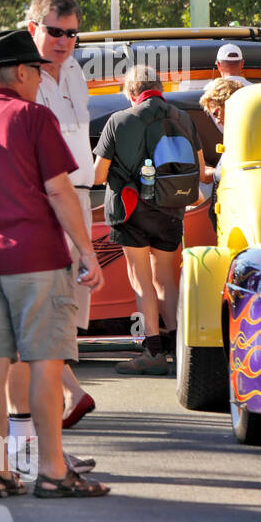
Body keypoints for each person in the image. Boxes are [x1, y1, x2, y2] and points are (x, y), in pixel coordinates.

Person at [0, 30, 107, 499]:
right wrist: (87, 252)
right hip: (37, 260)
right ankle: (51, 470)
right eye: (38, 73)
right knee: (45, 365)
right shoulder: (35, 118)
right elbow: (60, 191)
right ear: (24, 72)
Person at [11, 0, 97, 430]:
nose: (64, 41)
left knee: (61, 313)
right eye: (55, 31)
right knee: (39, 312)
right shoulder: (22, 77)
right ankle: (58, 406)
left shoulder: (76, 72)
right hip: (45, 203)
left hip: (79, 198)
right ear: (33, 29)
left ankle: (62, 405)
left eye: (72, 33)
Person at [94, 65, 208, 374]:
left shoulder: (119, 120)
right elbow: (200, 168)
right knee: (165, 278)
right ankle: (181, 349)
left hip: (131, 210)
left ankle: (153, 351)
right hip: (172, 208)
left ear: (130, 93)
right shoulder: (183, 117)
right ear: (159, 87)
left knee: (141, 280)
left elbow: (98, 174)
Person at [199, 76, 245, 234]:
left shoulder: (243, 137)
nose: (217, 120)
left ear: (229, 105)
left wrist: (207, 172)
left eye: (217, 112)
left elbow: (235, 173)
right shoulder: (236, 136)